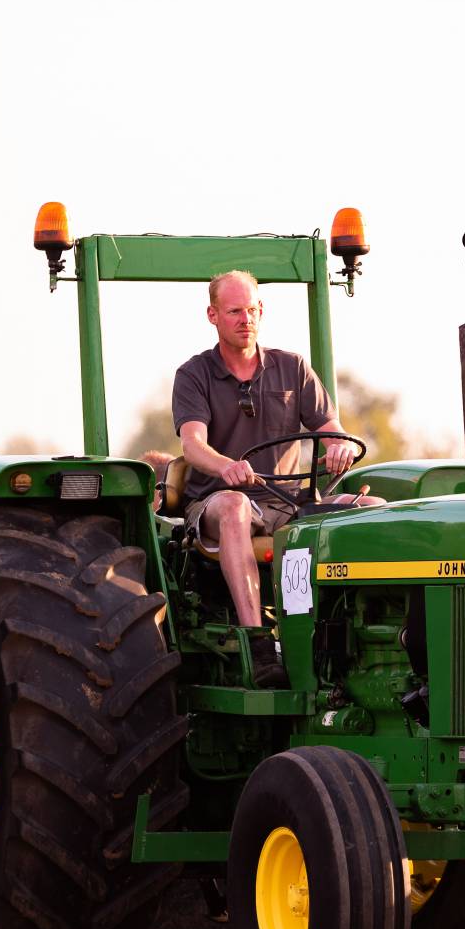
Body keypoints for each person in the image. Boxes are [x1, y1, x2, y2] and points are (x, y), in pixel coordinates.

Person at [172, 270, 379, 682]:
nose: (245, 319)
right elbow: (192, 445)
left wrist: (336, 446)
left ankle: (359, 638)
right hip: (218, 501)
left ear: (261, 311)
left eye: (251, 310)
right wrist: (225, 466)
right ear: (213, 315)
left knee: (372, 510)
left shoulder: (293, 368)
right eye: (234, 311)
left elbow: (328, 428)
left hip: (286, 502)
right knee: (233, 507)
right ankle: (259, 641)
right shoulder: (194, 375)